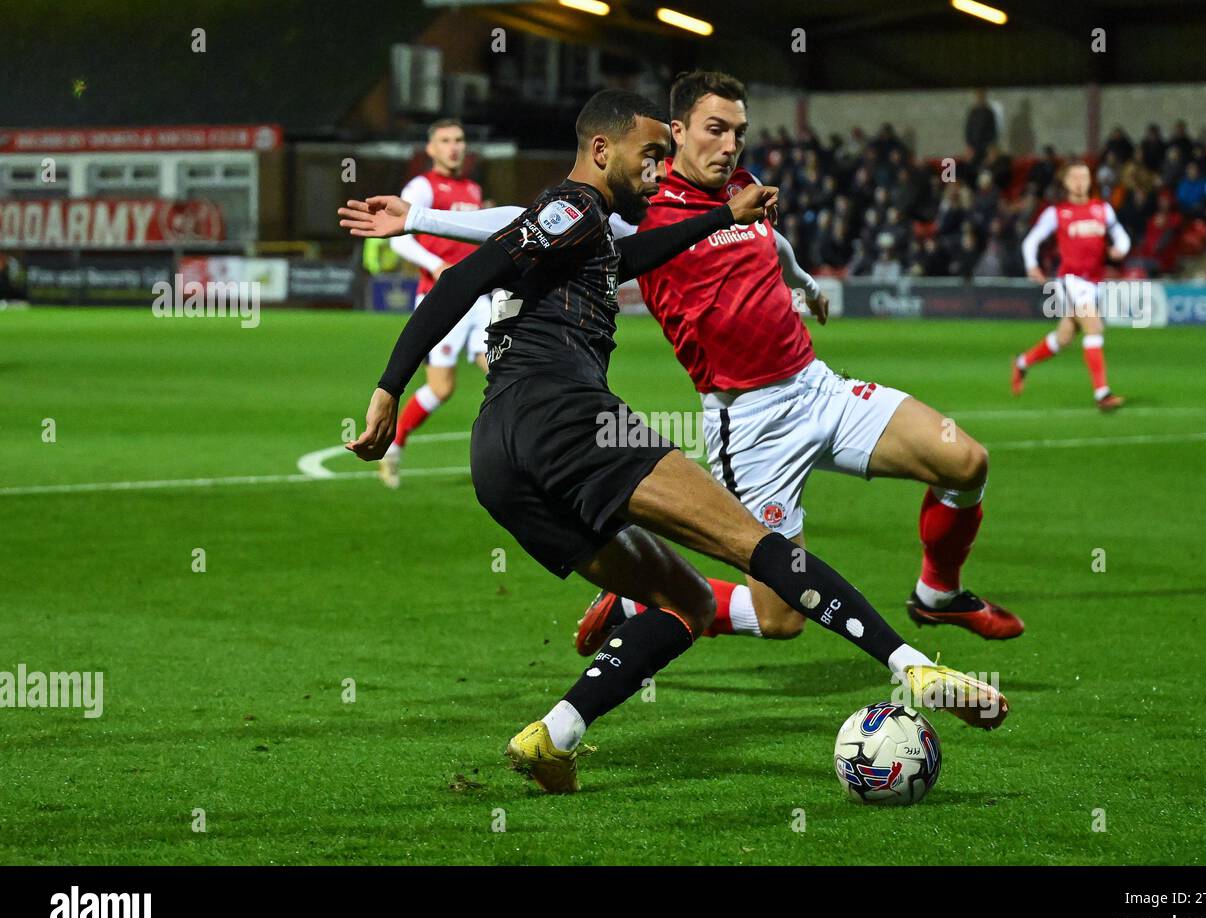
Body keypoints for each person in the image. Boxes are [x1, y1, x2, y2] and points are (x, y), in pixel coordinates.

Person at [342, 89, 1008, 793]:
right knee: (760, 549)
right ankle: (912, 666)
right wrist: (389, 384)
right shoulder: (574, 205)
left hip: (497, 456)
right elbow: (464, 274)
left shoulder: (592, 236)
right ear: (603, 149)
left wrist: (723, 217)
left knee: (688, 603)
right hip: (570, 418)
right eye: (650, 154)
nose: (657, 170)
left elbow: (626, 258)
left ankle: (552, 735)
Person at [381, 119, 491, 489]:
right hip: (441, 299)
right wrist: (435, 264)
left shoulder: (472, 189)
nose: (454, 147)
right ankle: (394, 446)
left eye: (459, 140)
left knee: (504, 372)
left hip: (480, 297)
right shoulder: (422, 187)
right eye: (445, 140)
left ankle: (517, 455)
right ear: (430, 149)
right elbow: (398, 238)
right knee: (441, 388)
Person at [1014, 162, 1130, 411]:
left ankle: (1022, 362)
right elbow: (1031, 241)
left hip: (1094, 282)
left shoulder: (1102, 209)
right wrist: (1032, 265)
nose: (1079, 182)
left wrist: (1121, 248)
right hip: (1071, 281)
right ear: (1066, 183)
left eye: (1084, 177)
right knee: (1094, 326)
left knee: (1064, 338)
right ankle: (1102, 394)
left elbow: (1120, 234)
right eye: (1074, 177)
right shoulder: (1057, 213)